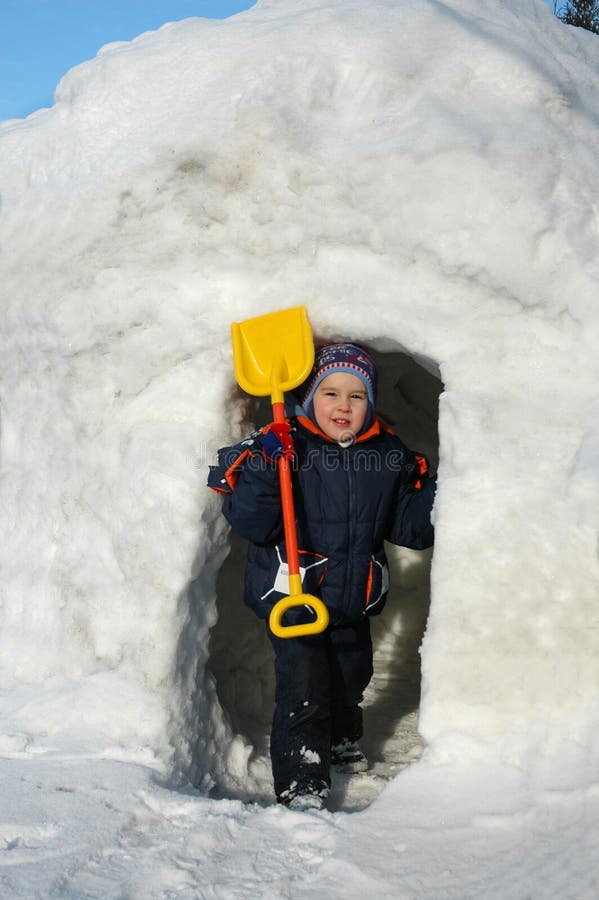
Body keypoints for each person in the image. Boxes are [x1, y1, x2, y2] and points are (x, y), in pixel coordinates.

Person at [208, 343, 436, 810]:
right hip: (295, 596)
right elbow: (252, 523)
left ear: (370, 403)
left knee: (352, 675)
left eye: (357, 396)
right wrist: (266, 467)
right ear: (311, 398)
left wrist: (428, 486)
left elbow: (411, 531)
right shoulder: (285, 444)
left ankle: (340, 739)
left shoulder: (387, 454)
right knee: (305, 685)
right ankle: (302, 781)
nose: (343, 405)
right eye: (331, 393)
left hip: (352, 597)